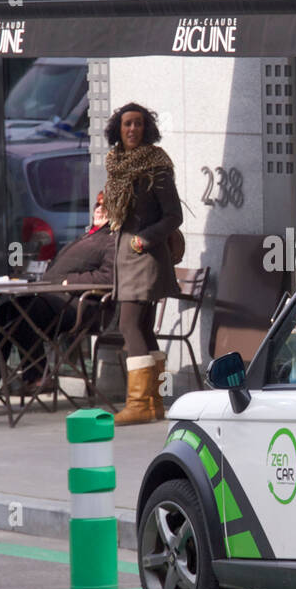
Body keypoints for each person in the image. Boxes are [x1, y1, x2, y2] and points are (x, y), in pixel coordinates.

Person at [0, 192, 115, 396]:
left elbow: (108, 278)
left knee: (21, 310)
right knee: (2, 311)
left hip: (78, 305)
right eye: (97, 206)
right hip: (53, 298)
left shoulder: (112, 240)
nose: (99, 210)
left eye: (107, 207)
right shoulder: (88, 235)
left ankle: (37, 377)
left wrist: (70, 282)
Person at [103, 101, 183, 424]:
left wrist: (143, 238)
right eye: (127, 124)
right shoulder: (117, 164)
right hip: (128, 254)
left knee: (128, 324)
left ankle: (138, 404)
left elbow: (174, 216)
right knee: (145, 328)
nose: (132, 129)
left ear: (146, 128)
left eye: (138, 124)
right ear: (118, 130)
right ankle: (154, 404)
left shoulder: (156, 166)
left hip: (145, 255)